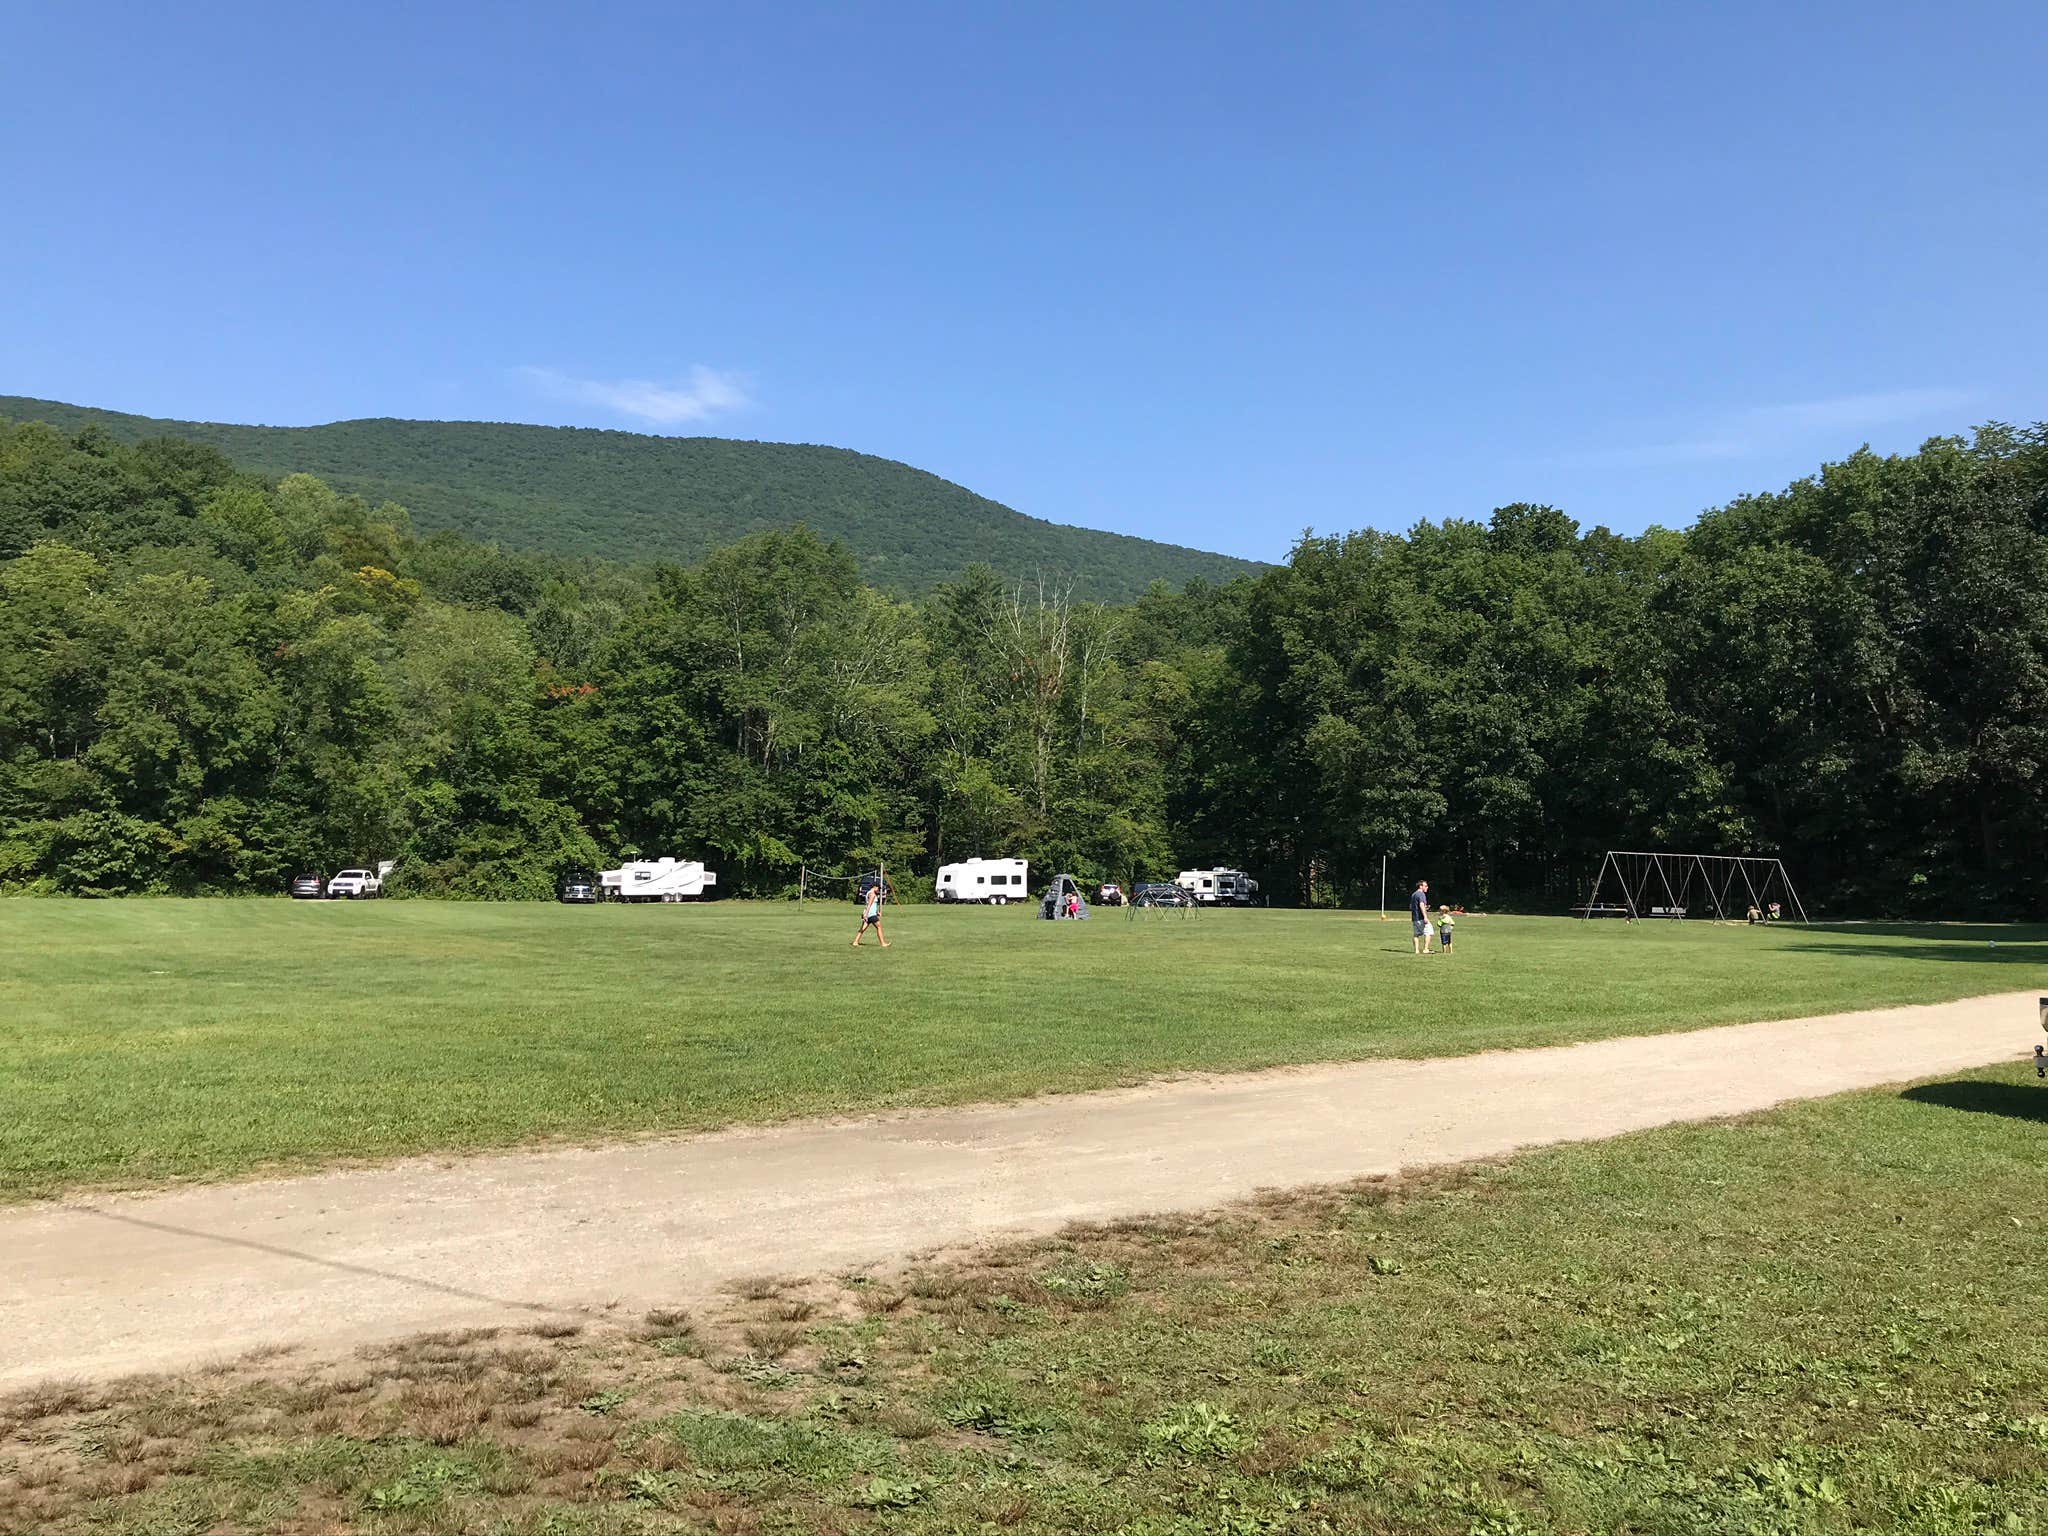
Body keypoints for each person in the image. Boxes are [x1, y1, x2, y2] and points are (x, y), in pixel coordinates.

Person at [852, 878, 889, 949]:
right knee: (879, 927)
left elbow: (872, 905)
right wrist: (866, 914)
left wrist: (877, 912)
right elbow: (869, 905)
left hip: (868, 914)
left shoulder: (868, 893)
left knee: (862, 929)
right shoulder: (872, 894)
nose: (878, 890)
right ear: (874, 887)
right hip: (871, 914)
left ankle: (855, 942)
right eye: (878, 888)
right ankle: (883, 943)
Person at [1410, 879, 1432, 955]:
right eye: (1425, 886)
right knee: (1429, 932)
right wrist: (1425, 916)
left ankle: (1416, 951)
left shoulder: (1413, 894)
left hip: (1414, 918)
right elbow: (1421, 905)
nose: (1427, 887)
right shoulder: (1421, 894)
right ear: (1421, 886)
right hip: (1421, 918)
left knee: (1416, 934)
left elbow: (1413, 906)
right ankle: (1426, 949)